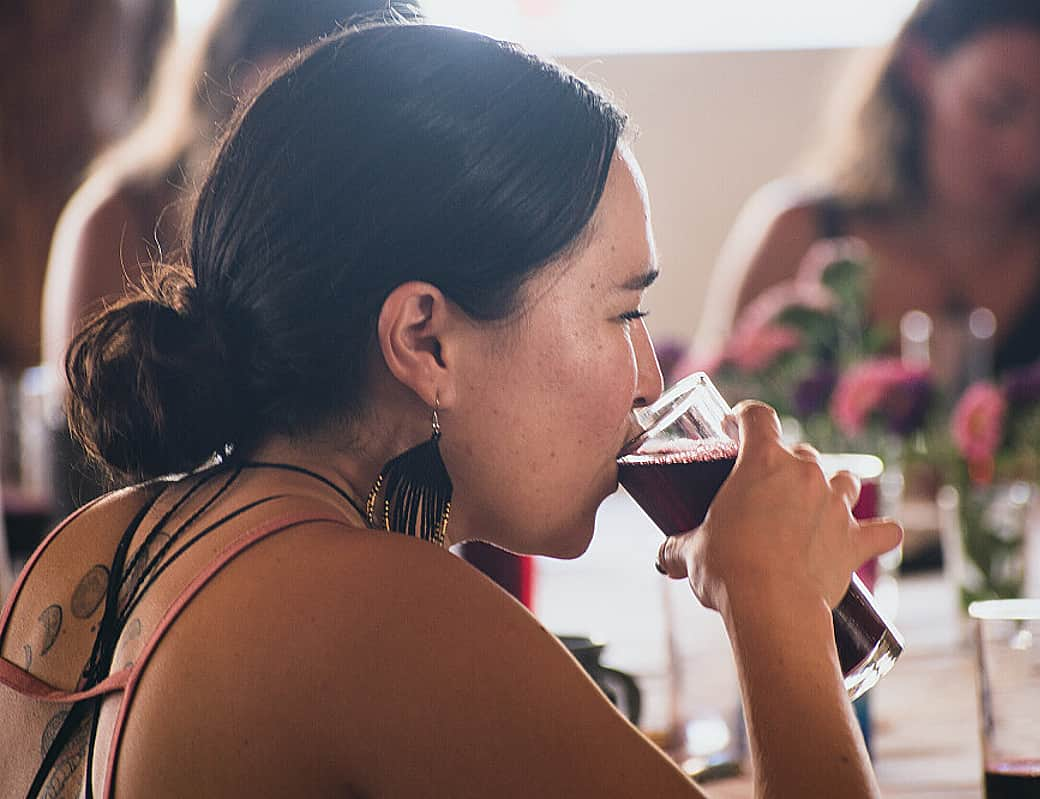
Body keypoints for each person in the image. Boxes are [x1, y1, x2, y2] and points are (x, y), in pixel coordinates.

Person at [1, 21, 901, 798]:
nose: (645, 379)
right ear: (425, 341)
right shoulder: (386, 611)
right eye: (624, 310)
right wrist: (776, 602)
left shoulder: (87, 547)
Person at [38, 0, 418, 519]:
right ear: (224, 84)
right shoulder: (119, 220)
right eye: (274, 109)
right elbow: (84, 468)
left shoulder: (380, 244)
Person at [694, 0, 1040, 379]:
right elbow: (704, 437)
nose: (1025, 151)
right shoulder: (795, 236)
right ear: (918, 67)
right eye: (997, 108)